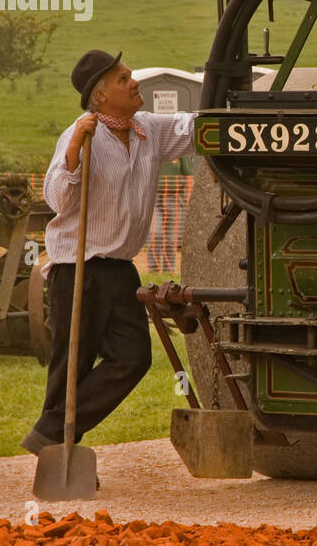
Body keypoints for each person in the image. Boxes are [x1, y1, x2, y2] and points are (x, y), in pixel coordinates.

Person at [21, 50, 194, 460]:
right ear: (99, 96)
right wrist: (75, 151)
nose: (135, 83)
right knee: (71, 368)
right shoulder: (79, 136)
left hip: (120, 269)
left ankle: (48, 435)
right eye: (124, 79)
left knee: (133, 357)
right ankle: (58, 452)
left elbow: (191, 127)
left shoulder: (148, 129)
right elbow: (58, 198)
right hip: (76, 267)